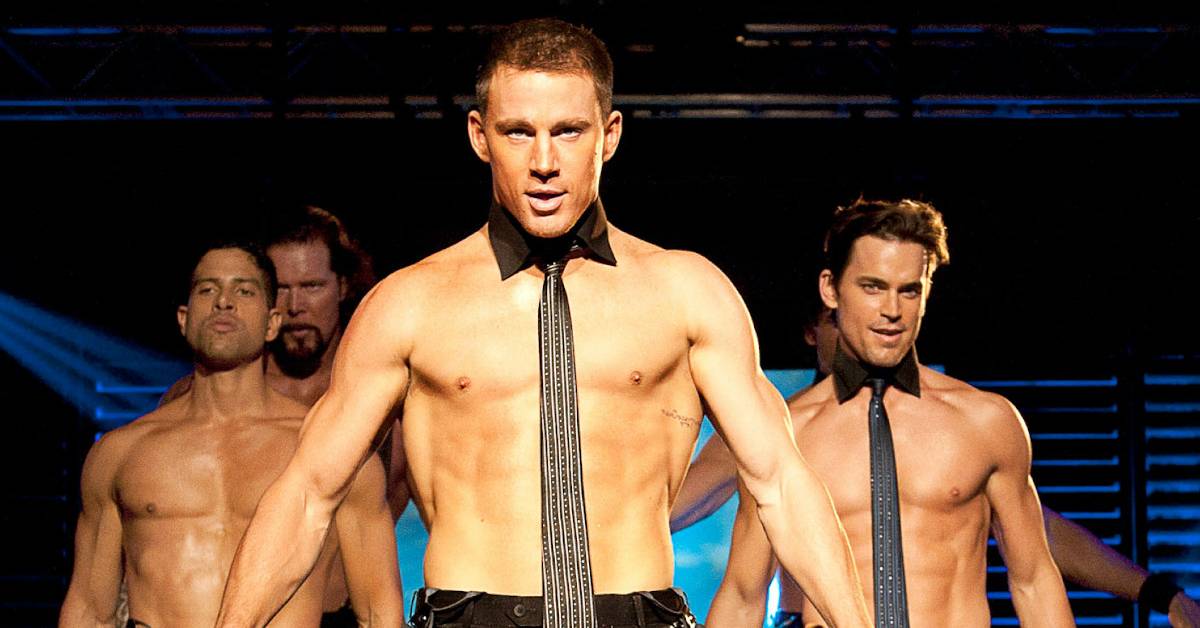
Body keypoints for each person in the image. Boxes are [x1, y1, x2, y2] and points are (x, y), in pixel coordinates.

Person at [215, 17, 871, 628]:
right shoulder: (410, 303)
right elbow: (307, 496)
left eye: (569, 131)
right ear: (480, 136)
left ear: (610, 135)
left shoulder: (686, 293)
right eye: (518, 132)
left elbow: (782, 484)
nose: (545, 162)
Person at [674, 304, 1200, 626]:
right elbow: (668, 514)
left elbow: (1038, 541)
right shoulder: (774, 430)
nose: (876, 320)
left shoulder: (956, 424)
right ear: (817, 324)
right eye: (843, 315)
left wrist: (1157, 591)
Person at [707, 198, 1075, 626]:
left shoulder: (986, 421)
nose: (892, 311)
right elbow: (743, 595)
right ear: (830, 289)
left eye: (909, 290)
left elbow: (1034, 581)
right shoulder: (787, 433)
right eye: (872, 287)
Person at [59, 242, 402, 627]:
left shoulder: (328, 450)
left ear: (272, 323)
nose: (224, 302)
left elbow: (379, 612)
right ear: (183, 318)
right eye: (208, 289)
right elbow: (89, 609)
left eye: (244, 291)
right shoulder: (120, 453)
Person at [157, 209, 409, 626]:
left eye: (312, 287)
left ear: (343, 286)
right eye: (282, 289)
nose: (295, 306)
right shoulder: (190, 400)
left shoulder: (386, 403)